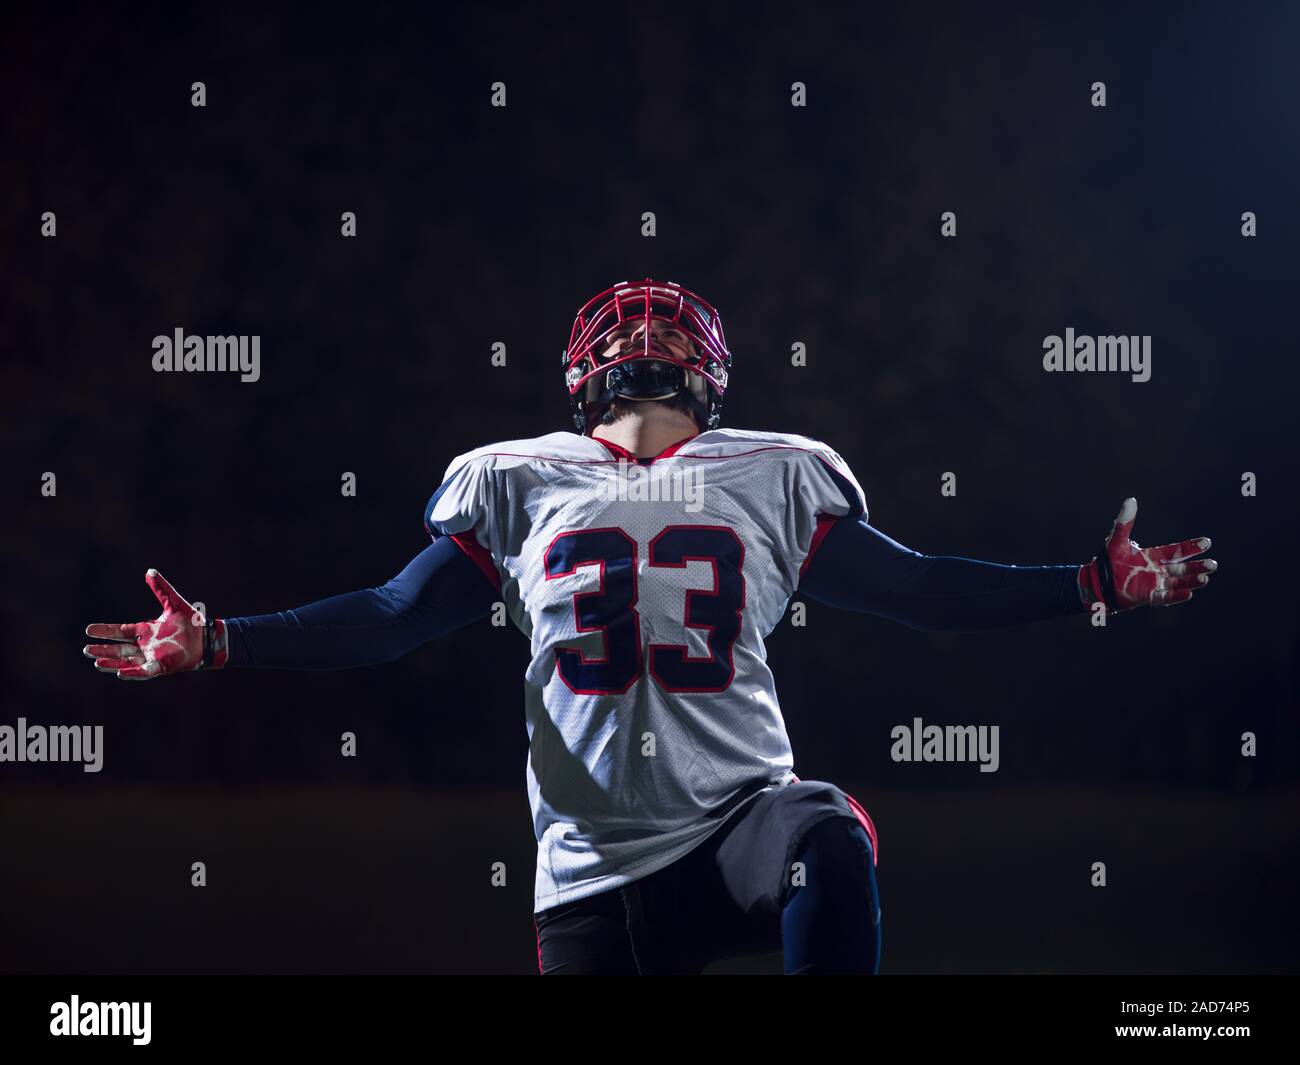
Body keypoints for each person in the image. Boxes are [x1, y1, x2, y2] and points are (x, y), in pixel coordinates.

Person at [83, 278, 1217, 974]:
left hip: (736, 828)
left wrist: (1085, 584)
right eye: (634, 331)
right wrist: (224, 638)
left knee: (828, 832)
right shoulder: (517, 479)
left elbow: (919, 588)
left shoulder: (771, 473)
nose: (648, 335)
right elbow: (388, 619)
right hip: (587, 873)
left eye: (668, 331)